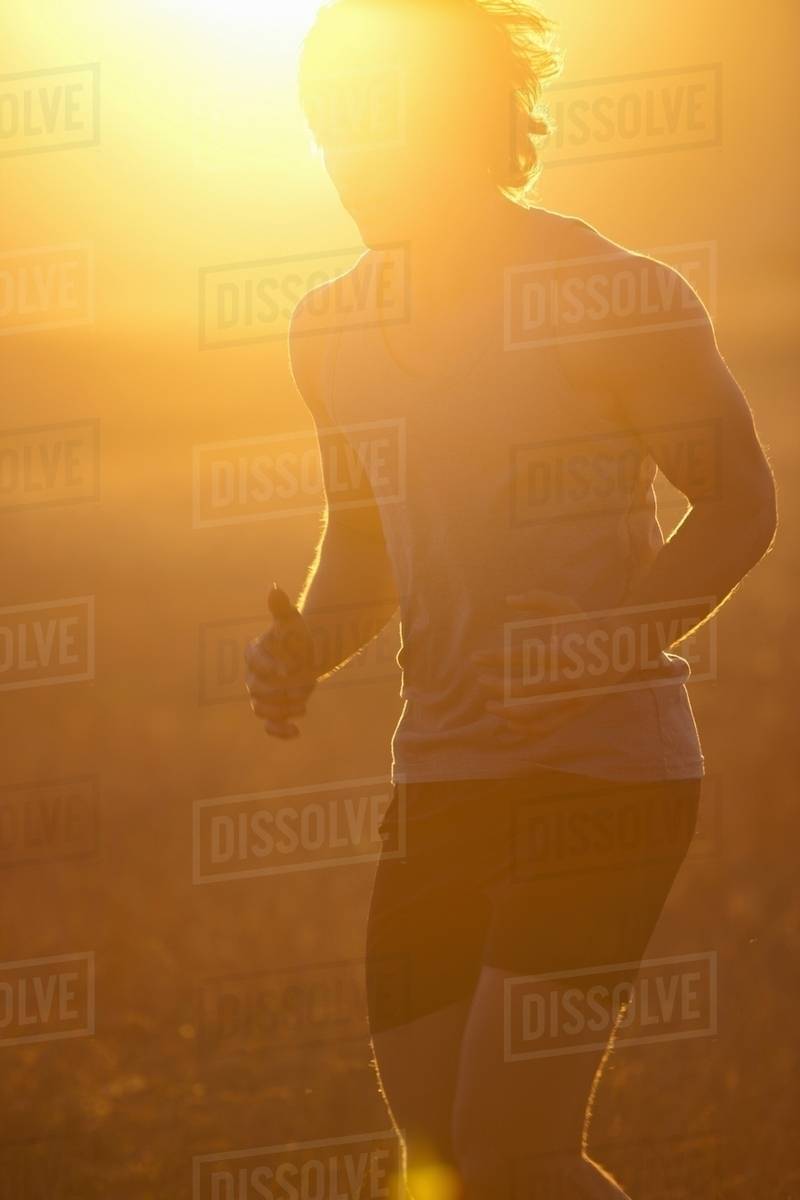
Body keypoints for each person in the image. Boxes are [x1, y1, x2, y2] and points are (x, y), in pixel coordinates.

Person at [245, 2, 777, 1195]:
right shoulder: (327, 328)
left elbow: (740, 503)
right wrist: (301, 653)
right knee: (436, 1153)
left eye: (383, 125)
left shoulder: (604, 292)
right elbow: (367, 555)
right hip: (437, 771)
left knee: (512, 1152)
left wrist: (598, 650)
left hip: (605, 771)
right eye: (330, 128)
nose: (350, 158)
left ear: (474, 123)